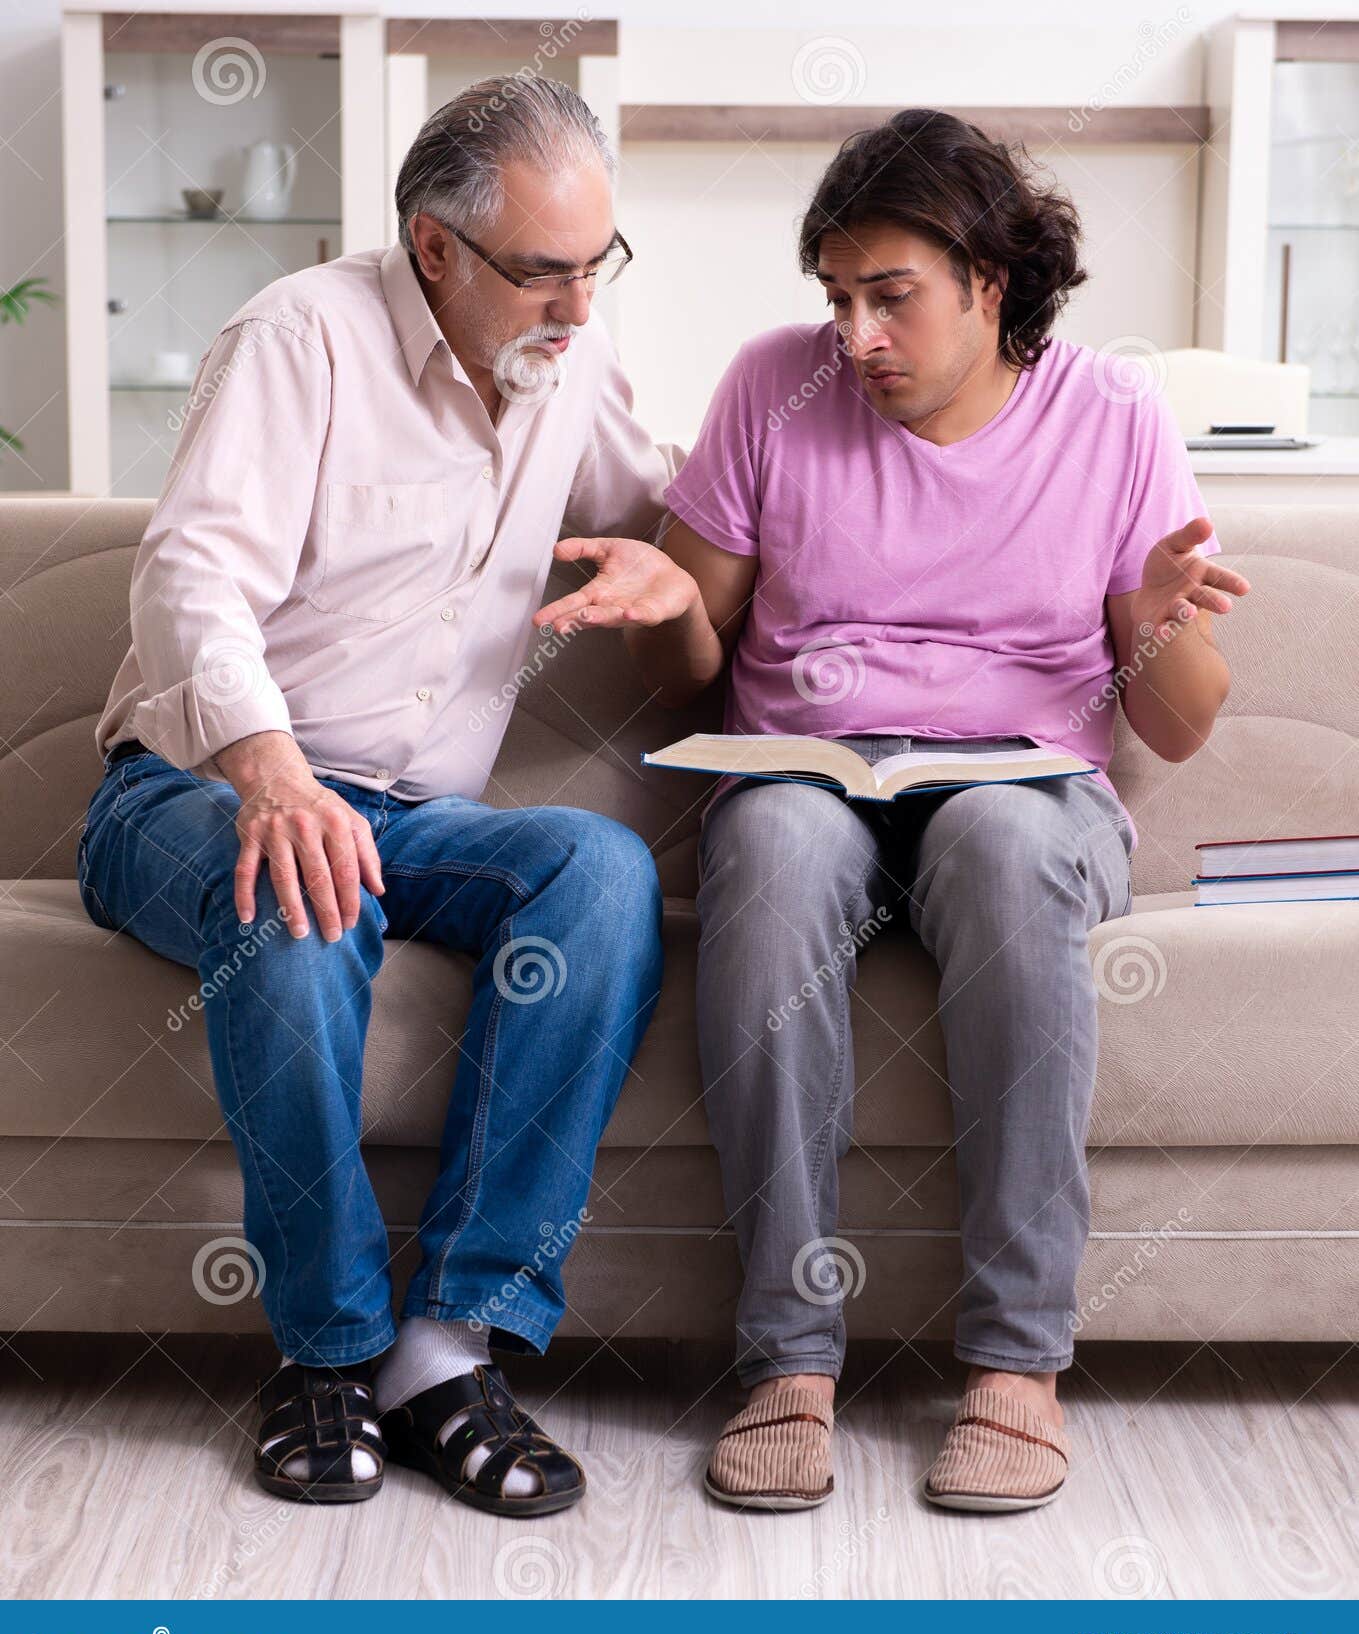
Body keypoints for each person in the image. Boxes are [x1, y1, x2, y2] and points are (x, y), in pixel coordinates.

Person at [532, 108, 1250, 1513]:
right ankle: (789, 1358)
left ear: (990, 282)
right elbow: (691, 674)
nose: (856, 335)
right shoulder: (770, 388)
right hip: (806, 768)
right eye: (836, 298)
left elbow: (1172, 723)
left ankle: (1016, 1366)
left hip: (1025, 783)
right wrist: (669, 611)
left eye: (891, 297)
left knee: (1001, 839)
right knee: (786, 841)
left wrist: (1155, 634)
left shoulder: (1109, 416)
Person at [78, 74, 678, 1516]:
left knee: (599, 873)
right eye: (544, 273)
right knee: (292, 883)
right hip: (191, 790)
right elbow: (191, 578)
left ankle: (445, 1346)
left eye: (597, 267)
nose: (579, 309)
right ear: (433, 250)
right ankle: (328, 1350)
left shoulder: (565, 364)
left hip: (415, 815)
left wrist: (679, 567)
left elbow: (662, 501)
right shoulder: (303, 338)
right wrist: (271, 773)